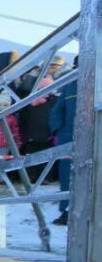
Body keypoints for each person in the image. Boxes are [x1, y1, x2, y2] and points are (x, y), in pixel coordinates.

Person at [48, 60, 77, 226]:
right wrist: (57, 130)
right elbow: (57, 110)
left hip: (95, 138)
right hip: (69, 137)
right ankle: (67, 211)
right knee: (67, 176)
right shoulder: (70, 85)